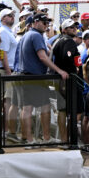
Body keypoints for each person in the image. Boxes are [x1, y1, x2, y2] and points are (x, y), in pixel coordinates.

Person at [17, 13, 69, 146]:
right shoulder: (35, 35)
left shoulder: (26, 35)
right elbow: (42, 57)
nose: (46, 26)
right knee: (42, 107)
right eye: (44, 22)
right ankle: (41, 139)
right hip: (34, 77)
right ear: (35, 22)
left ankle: (29, 139)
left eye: (47, 23)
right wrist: (59, 70)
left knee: (27, 108)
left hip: (26, 75)